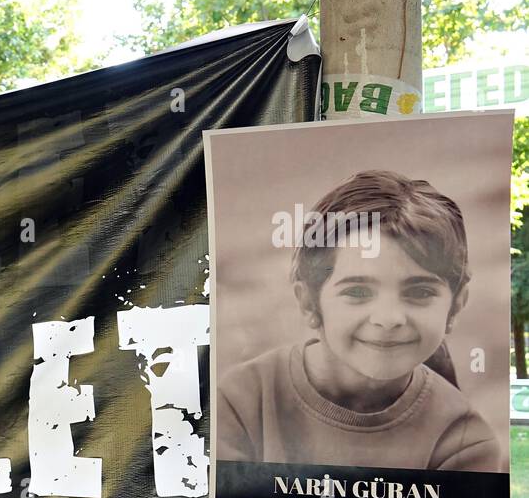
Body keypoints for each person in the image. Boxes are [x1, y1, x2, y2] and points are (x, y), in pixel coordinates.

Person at [216, 169, 503, 473]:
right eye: (357, 291)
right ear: (309, 301)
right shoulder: (242, 401)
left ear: (456, 304)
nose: (389, 319)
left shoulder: (465, 443)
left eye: (419, 291)